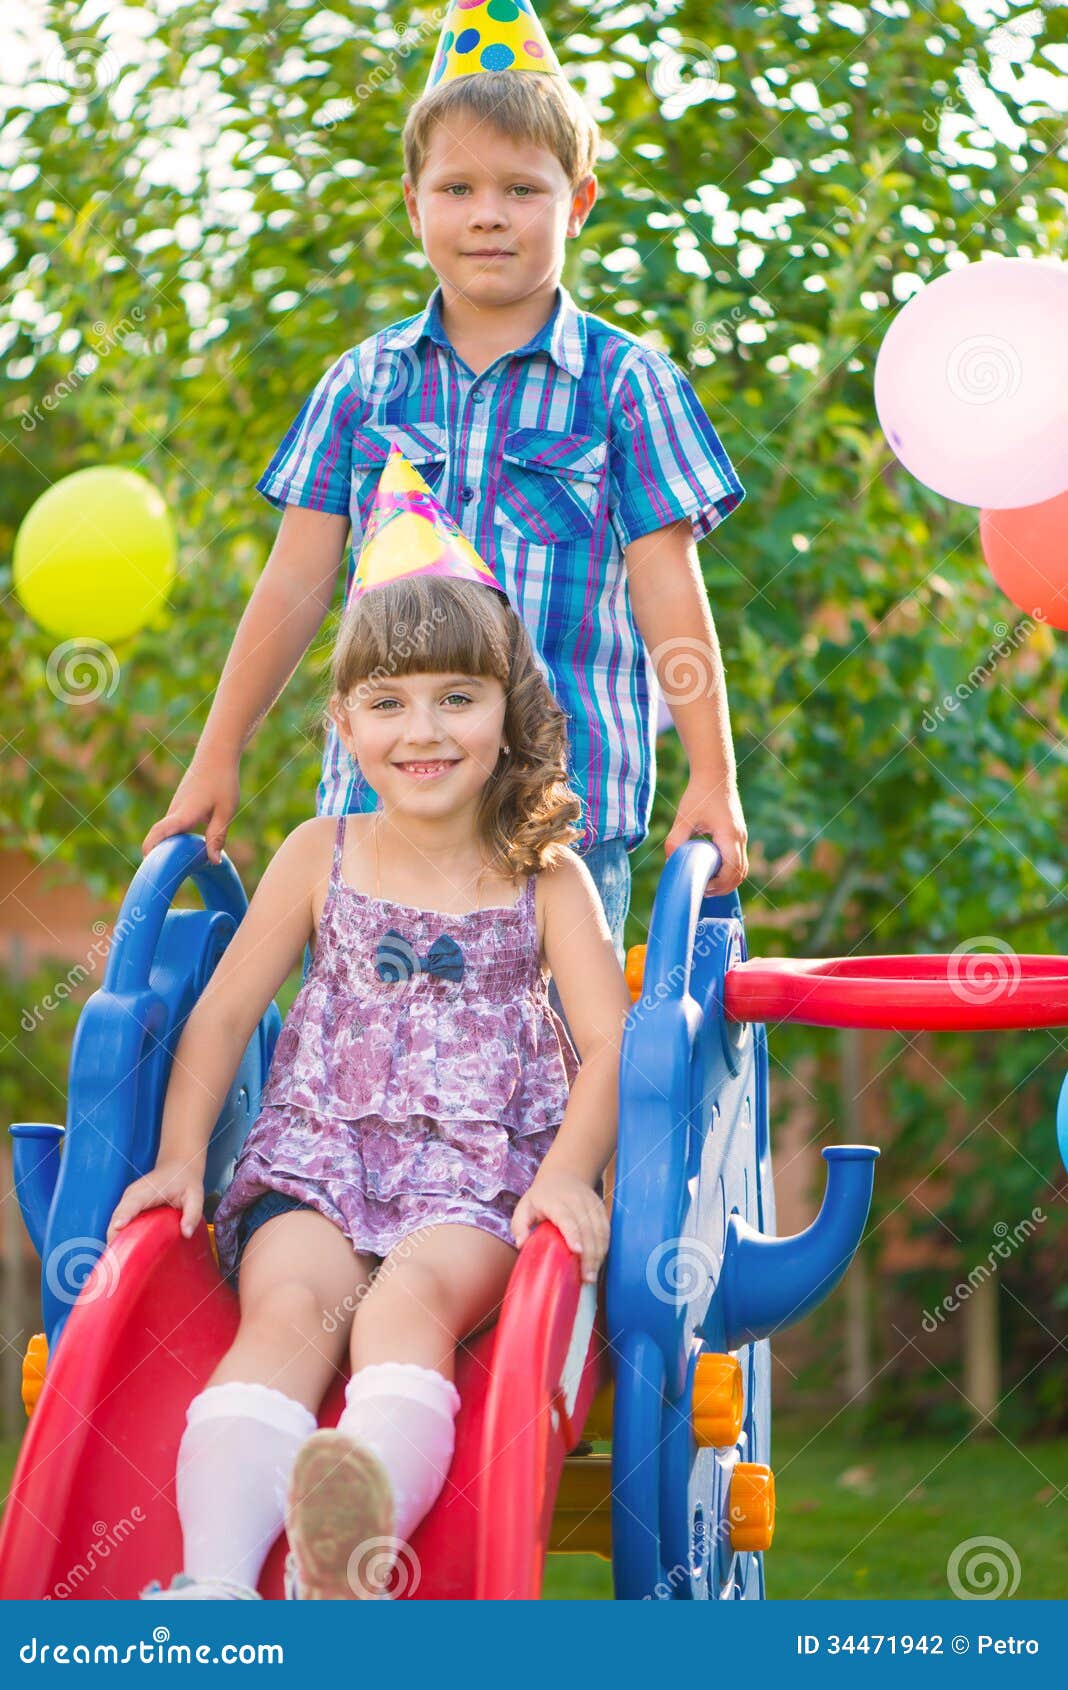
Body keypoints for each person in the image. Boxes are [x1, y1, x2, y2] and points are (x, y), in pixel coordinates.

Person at [140, 0, 750, 997]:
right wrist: (216, 757)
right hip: (384, 808)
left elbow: (669, 593)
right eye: (458, 187)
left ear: (579, 201)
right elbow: (294, 584)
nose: (488, 214)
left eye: (522, 188)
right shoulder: (363, 383)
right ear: (413, 205)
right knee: (368, 1056)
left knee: (557, 1062)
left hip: (562, 817)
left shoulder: (624, 385)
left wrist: (713, 778)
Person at [107, 455, 634, 1600]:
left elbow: (610, 1044)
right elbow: (224, 1014)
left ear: (507, 708)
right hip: (318, 1160)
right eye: (388, 703)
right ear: (344, 720)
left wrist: (564, 1174)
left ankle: (351, 1546)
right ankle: (213, 1585)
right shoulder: (319, 853)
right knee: (288, 1308)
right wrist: (184, 1153)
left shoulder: (548, 875)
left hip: (477, 1178)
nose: (423, 731)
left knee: (407, 1305)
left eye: (457, 697)